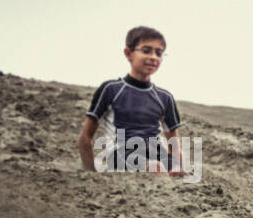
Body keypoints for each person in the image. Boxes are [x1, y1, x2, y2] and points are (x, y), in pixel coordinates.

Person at [78, 26, 183, 174]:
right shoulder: (111, 89)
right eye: (146, 51)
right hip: (119, 153)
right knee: (154, 168)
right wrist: (91, 174)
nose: (154, 57)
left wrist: (177, 167)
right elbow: (86, 136)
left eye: (159, 53)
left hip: (155, 152)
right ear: (129, 53)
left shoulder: (165, 97)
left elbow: (174, 142)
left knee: (179, 170)